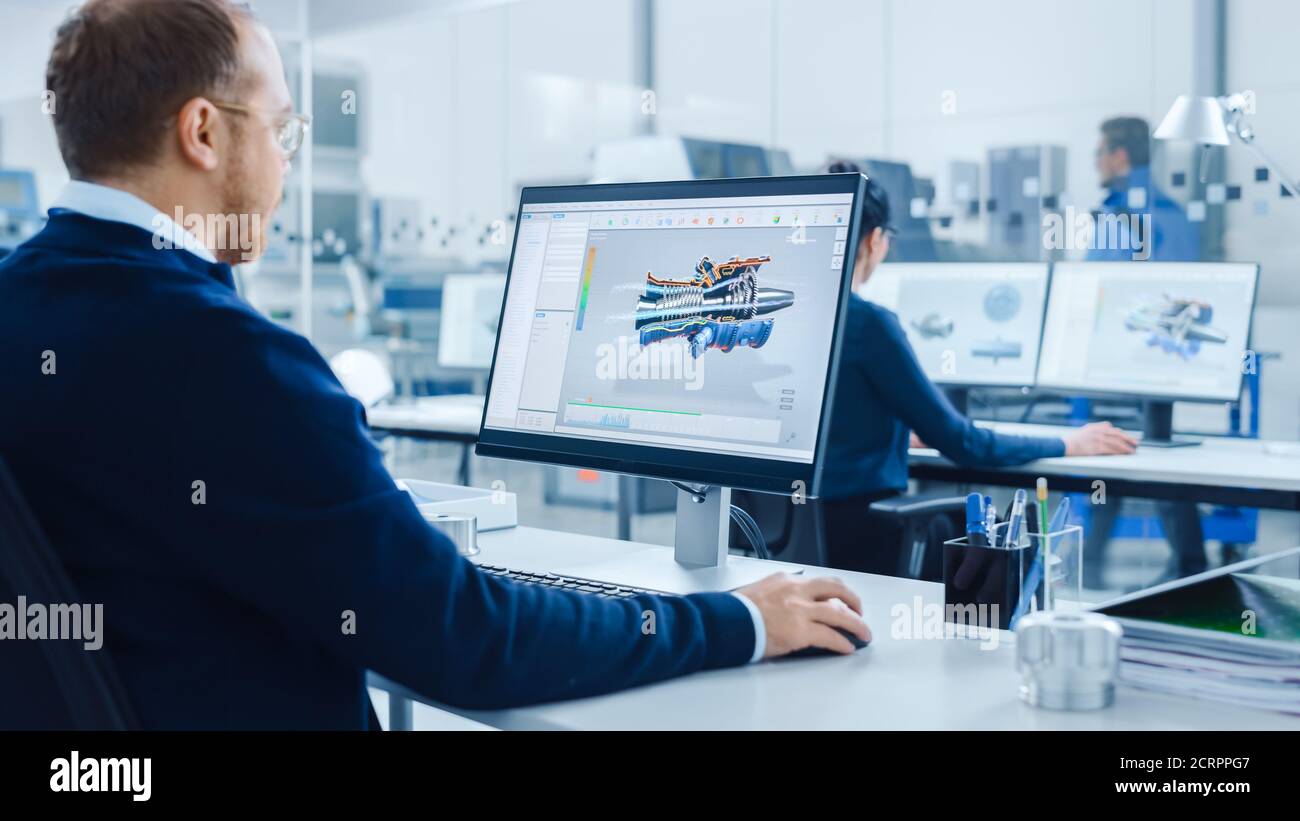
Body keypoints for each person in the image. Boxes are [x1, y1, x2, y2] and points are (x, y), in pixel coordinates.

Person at [0, 0, 869, 730]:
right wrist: (737, 621)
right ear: (202, 132)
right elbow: (467, 641)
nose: (285, 165)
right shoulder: (234, 365)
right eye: (282, 131)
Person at [818, 160, 1137, 576]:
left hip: (792, 545)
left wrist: (890, 434)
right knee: (986, 538)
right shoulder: (868, 324)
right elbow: (963, 443)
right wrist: (1067, 444)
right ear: (875, 240)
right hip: (861, 543)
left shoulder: (782, 318)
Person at [1083, 116, 1207, 587]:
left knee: (1110, 446)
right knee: (1155, 450)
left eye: (1100, 152)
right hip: (1165, 358)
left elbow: (1098, 288)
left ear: (1119, 156)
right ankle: (1188, 563)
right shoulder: (1172, 212)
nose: (1096, 161)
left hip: (1121, 356)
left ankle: (1094, 566)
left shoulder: (1119, 213)